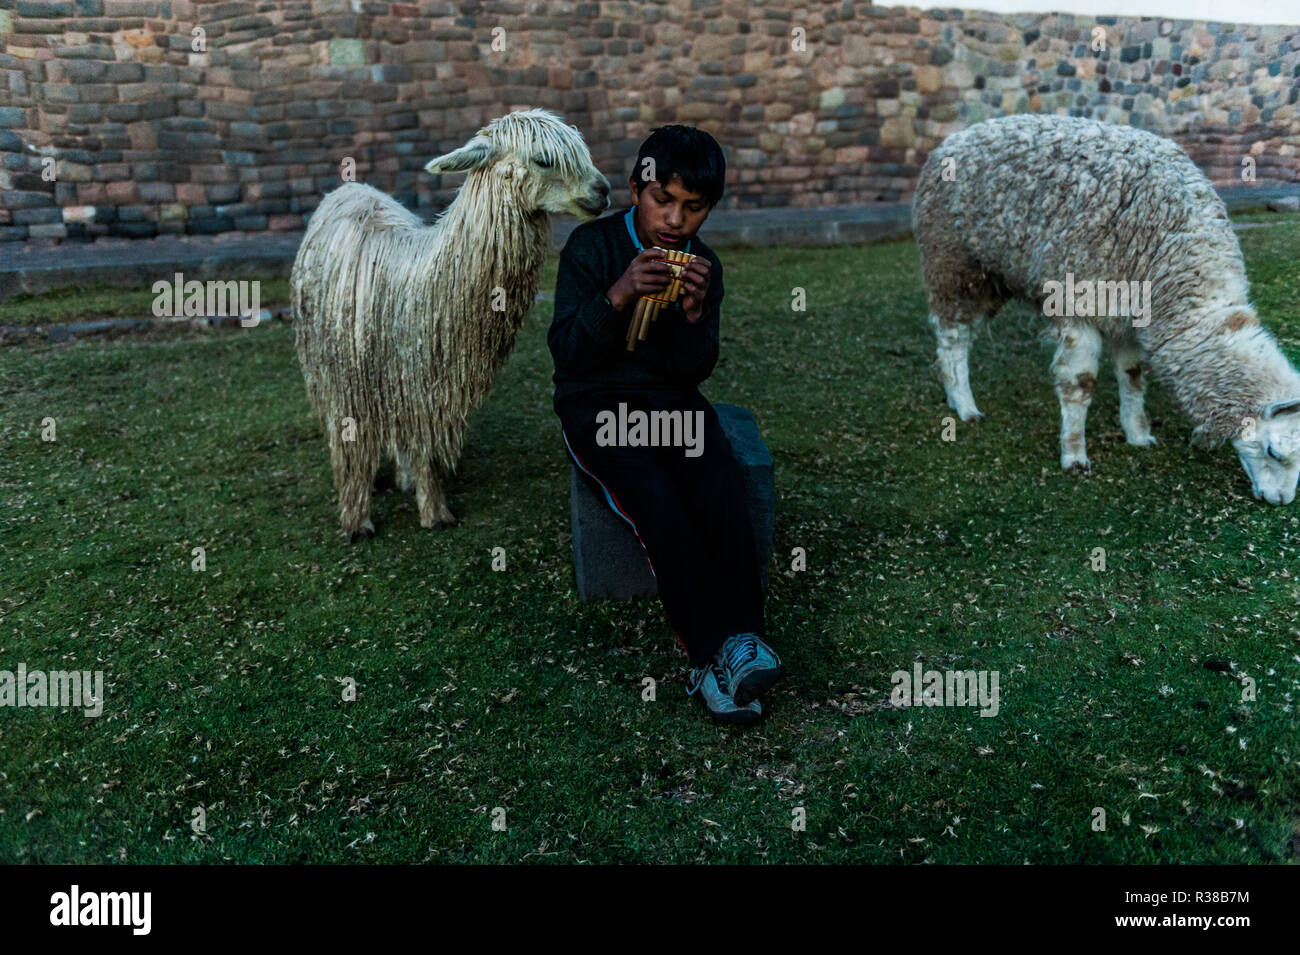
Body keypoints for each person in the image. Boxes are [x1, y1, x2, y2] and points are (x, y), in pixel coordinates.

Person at [547, 125, 783, 725]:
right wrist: (619, 295)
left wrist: (694, 315)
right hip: (596, 404)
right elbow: (568, 355)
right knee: (658, 501)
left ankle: (745, 642)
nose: (675, 221)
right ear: (635, 189)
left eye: (694, 208)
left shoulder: (703, 265)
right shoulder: (590, 247)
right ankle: (708, 658)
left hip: (670, 404)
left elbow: (693, 371)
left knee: (719, 487)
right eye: (663, 201)